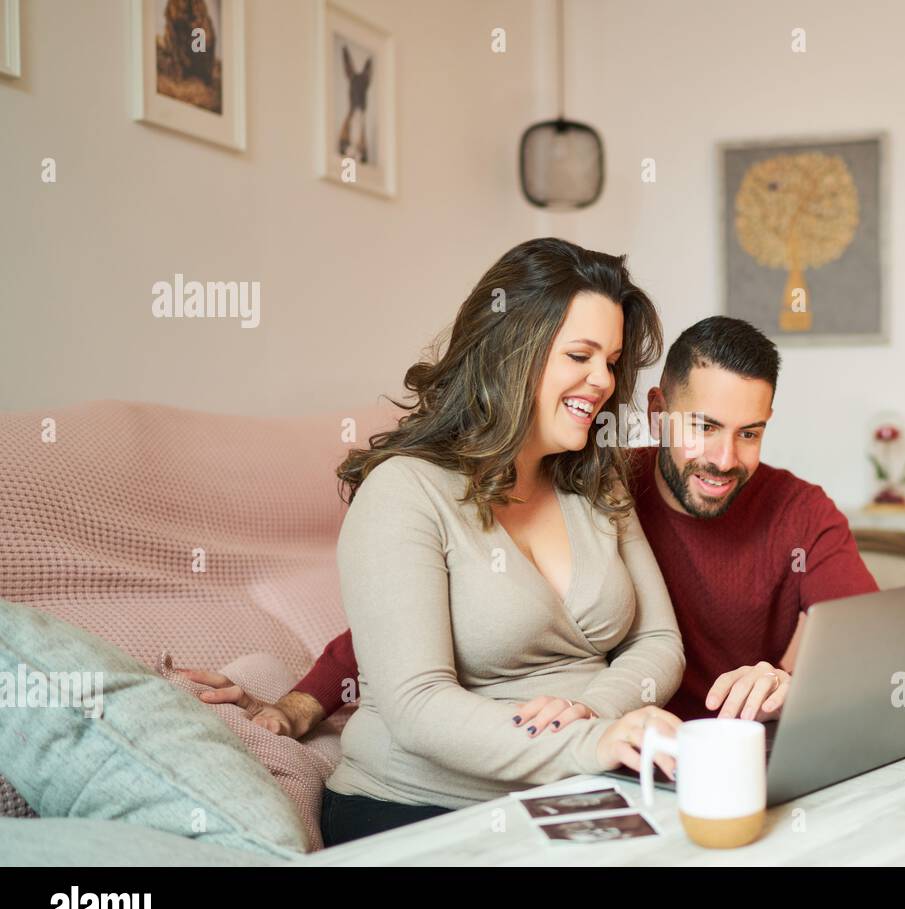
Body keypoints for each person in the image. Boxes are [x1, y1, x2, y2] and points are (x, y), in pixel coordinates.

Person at [189, 316, 877, 772]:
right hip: (619, 762)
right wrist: (299, 704)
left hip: (727, 763)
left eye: (750, 432)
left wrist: (790, 681)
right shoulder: (597, 486)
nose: (724, 457)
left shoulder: (802, 511)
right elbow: (428, 609)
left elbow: (863, 652)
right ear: (661, 413)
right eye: (704, 426)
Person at [204, 237, 688, 846]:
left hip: (578, 790)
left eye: (612, 361)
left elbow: (658, 639)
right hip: (421, 807)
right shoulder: (405, 492)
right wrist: (588, 743)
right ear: (513, 352)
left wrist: (596, 710)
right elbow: (417, 706)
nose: (601, 381)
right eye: (581, 356)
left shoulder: (596, 481)